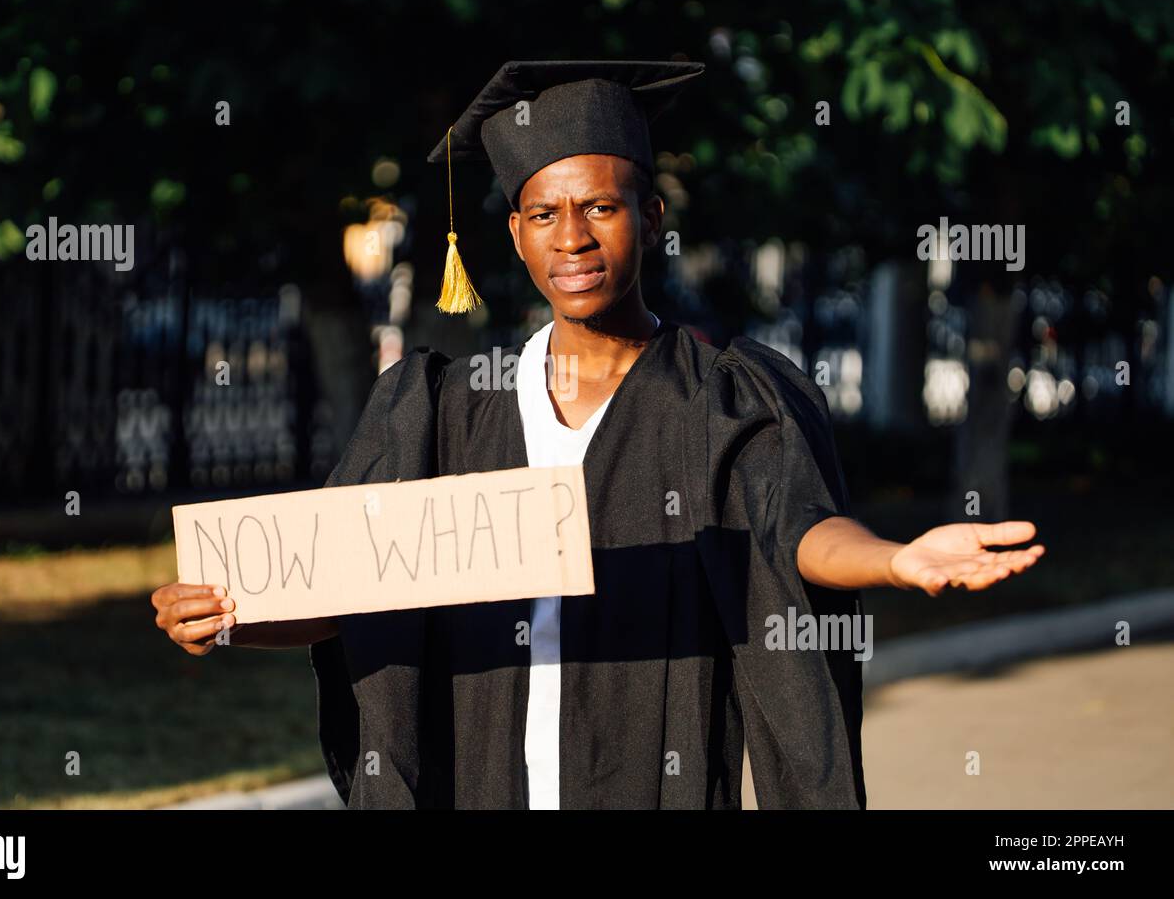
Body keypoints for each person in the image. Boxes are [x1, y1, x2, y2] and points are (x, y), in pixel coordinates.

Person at [151, 60, 1045, 809]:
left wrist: (896, 560)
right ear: (513, 234)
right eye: (544, 214)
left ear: (651, 218)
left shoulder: (726, 400)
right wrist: (231, 616)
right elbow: (349, 592)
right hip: (482, 783)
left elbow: (792, 531)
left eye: (601, 208)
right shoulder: (447, 408)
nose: (571, 238)